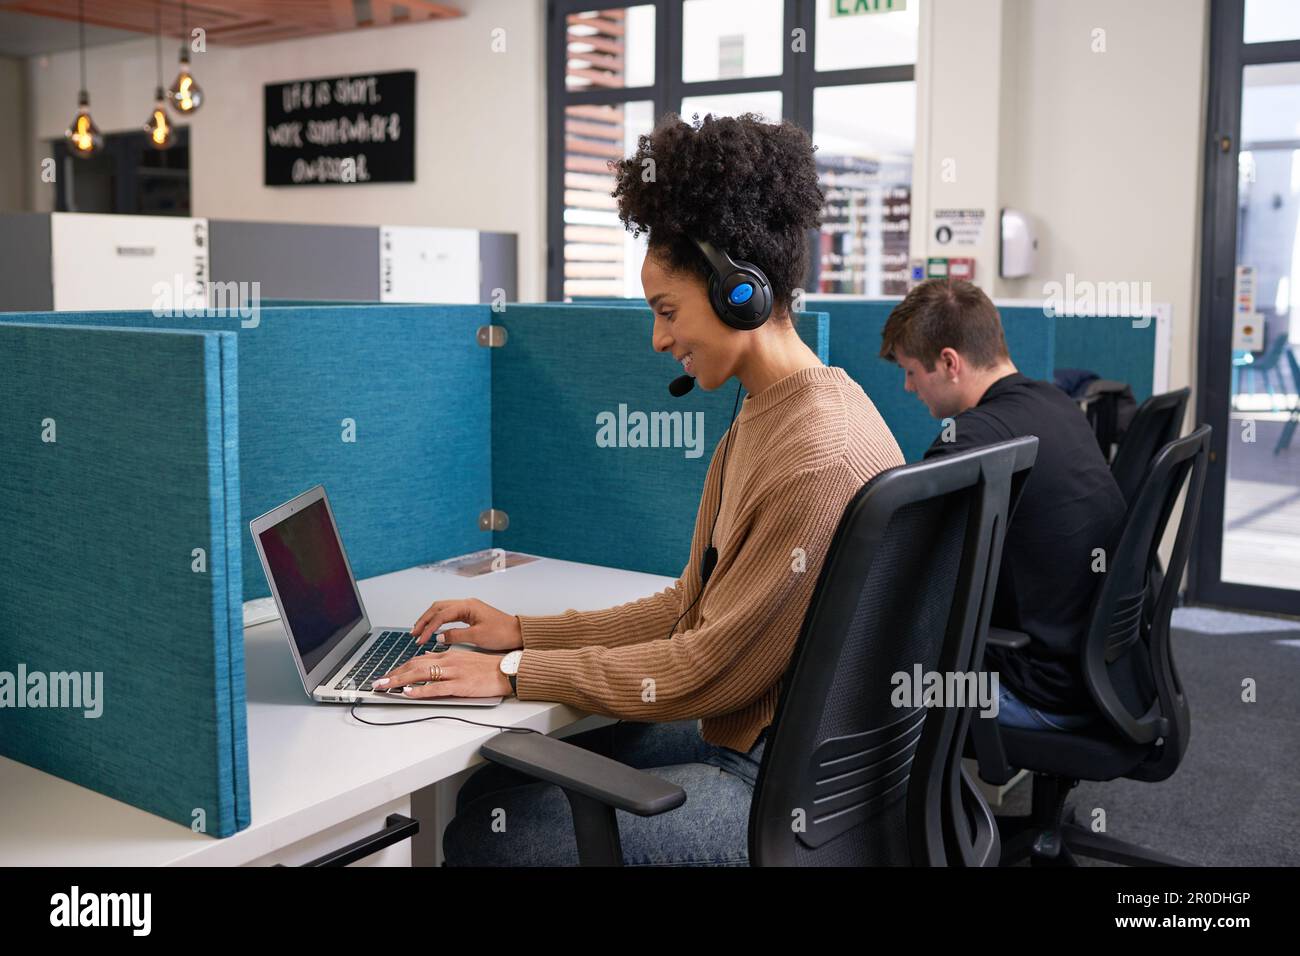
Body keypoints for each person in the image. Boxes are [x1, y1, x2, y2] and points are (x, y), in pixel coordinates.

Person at [373, 112, 905, 865]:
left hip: (783, 790)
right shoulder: (774, 411)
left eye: (666, 311)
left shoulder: (816, 455)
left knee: (490, 837)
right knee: (494, 786)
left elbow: (704, 667)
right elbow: (688, 606)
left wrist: (511, 675)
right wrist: (523, 634)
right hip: (773, 738)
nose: (659, 340)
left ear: (738, 293)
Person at [879, 279, 1134, 732]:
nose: (907, 387)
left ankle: (914, 805)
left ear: (949, 362)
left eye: (912, 371)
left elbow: (903, 571)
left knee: (867, 680)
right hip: (1109, 672)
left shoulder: (973, 443)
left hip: (1041, 687)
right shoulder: (1055, 403)